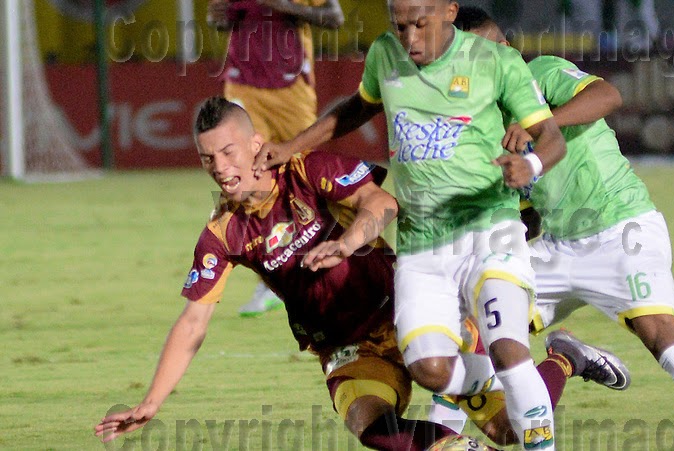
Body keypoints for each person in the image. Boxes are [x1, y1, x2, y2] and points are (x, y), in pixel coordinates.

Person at [254, 0, 575, 447]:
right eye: (400, 26)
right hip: (422, 245)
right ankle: (534, 375)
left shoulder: (495, 61)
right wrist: (293, 146)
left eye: (419, 25)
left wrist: (532, 167)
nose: (409, 39)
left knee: (506, 348)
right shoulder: (386, 53)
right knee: (430, 369)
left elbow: (551, 136)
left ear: (448, 11)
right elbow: (358, 107)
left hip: (490, 229)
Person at [430, 8, 674, 451]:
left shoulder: (541, 75)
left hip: (621, 231)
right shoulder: (485, 128)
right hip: (555, 249)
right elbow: (527, 212)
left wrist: (537, 124)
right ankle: (444, 440)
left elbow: (608, 95)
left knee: (669, 346)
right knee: (467, 333)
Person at [93, 97, 479, 450]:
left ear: (255, 143)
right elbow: (194, 321)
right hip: (347, 350)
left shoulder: (305, 170)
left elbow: (380, 202)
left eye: (228, 152)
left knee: (505, 425)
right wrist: (151, 401)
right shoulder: (223, 232)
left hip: (404, 312)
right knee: (371, 426)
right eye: (208, 158)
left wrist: (345, 244)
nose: (221, 168)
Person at [206, 0, 345, 317]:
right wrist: (219, 16)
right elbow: (219, 20)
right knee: (248, 177)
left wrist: (280, 5)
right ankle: (270, 280)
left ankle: (324, 268)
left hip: (291, 86)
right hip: (243, 83)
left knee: (303, 176)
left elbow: (333, 19)